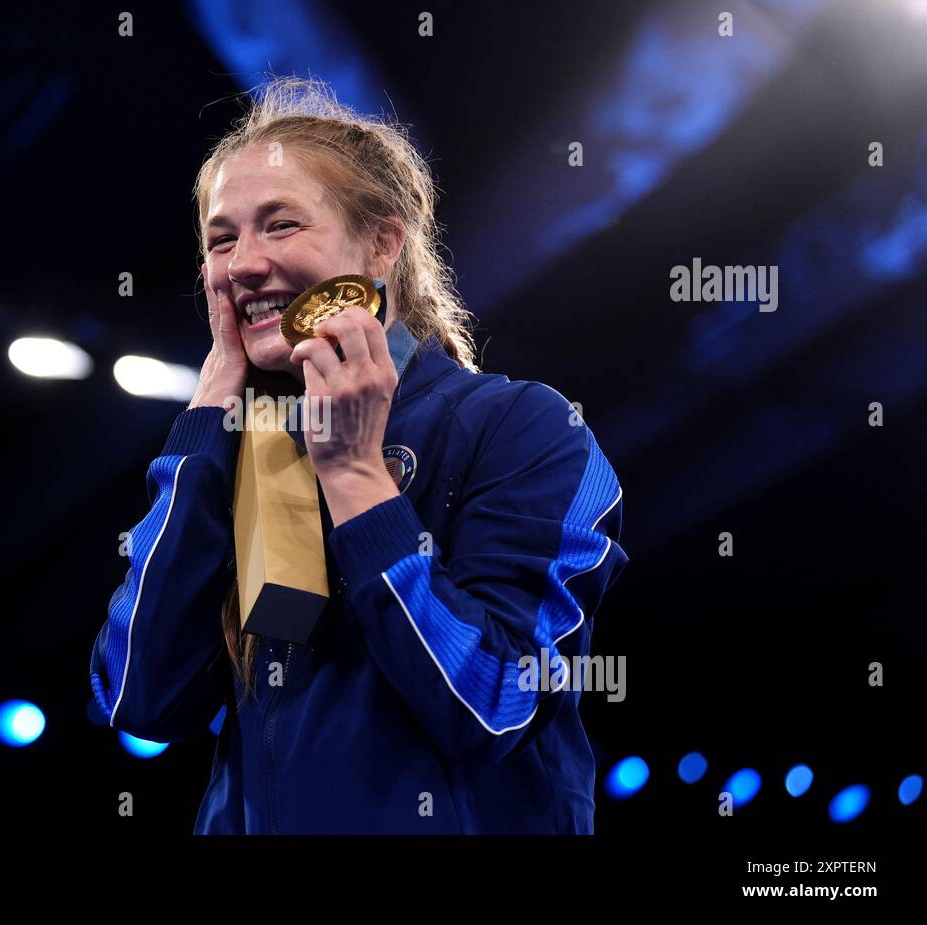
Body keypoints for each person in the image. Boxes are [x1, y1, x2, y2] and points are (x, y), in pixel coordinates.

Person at [90, 76, 628, 834]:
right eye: (222, 239)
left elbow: (493, 700)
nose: (242, 264)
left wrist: (354, 476)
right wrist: (205, 420)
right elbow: (138, 700)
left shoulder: (525, 427)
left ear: (381, 244)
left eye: (280, 225)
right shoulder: (246, 451)